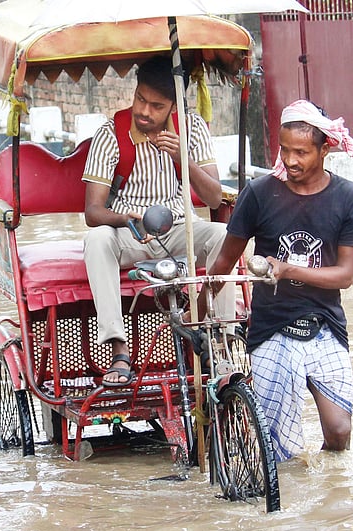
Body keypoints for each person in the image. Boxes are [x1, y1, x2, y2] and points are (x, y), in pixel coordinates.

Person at [208, 100, 353, 460]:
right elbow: (225, 259)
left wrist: (287, 269)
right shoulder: (259, 193)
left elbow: (345, 276)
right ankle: (291, 504)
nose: (291, 160)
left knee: (340, 430)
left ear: (325, 149)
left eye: (301, 152)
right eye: (284, 150)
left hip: (326, 323)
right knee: (280, 447)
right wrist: (205, 301)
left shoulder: (350, 198)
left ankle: (330, 488)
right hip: (271, 326)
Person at [81, 54, 233, 387]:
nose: (145, 112)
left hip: (181, 229)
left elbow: (212, 198)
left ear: (174, 108)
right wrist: (125, 218)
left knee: (224, 234)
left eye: (157, 106)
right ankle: (119, 349)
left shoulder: (192, 128)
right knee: (96, 241)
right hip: (129, 233)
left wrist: (184, 158)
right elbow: (92, 212)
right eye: (140, 100)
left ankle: (220, 340)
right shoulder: (111, 134)